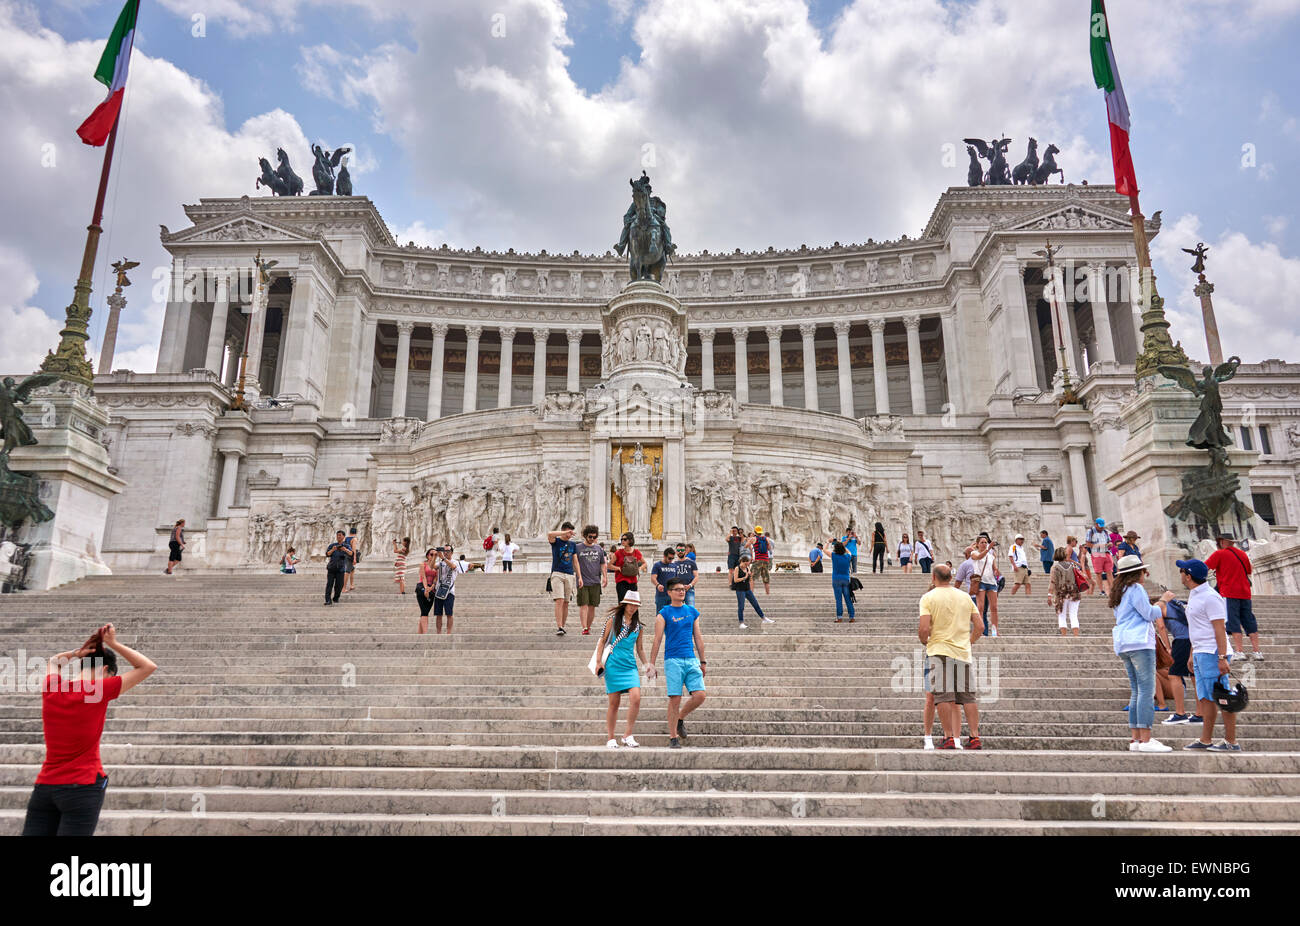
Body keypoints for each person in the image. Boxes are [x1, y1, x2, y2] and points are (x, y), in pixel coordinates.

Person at [21, 623, 157, 836]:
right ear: (105, 671)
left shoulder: (52, 688)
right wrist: (113, 643)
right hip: (82, 786)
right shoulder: (98, 690)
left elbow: (54, 662)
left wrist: (77, 653)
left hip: (45, 787)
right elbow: (147, 667)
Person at [1110, 554, 1175, 752]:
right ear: (1136, 573)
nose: (1145, 574)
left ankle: (1136, 739)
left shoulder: (1118, 591)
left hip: (1124, 643)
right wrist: (1163, 602)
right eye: (1143, 571)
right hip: (1139, 642)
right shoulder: (1135, 588)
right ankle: (1146, 739)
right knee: (1147, 690)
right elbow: (1149, 614)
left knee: (1137, 690)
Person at [1177, 558, 1242, 751]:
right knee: (1205, 697)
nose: (1180, 574)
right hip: (1200, 651)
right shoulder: (1196, 595)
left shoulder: (1210, 597)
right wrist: (1191, 653)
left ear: (1188, 576)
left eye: (1182, 571)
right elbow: (1196, 628)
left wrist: (1222, 657)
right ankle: (1206, 739)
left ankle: (1231, 741)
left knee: (1222, 697)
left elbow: (1220, 629)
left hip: (1213, 653)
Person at [918, 564, 983, 750]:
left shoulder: (928, 598)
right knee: (968, 698)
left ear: (933, 577)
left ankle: (948, 738)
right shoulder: (964, 597)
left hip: (939, 651)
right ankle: (974, 737)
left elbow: (923, 628)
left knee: (943, 696)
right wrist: (969, 642)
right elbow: (980, 627)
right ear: (951, 578)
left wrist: (925, 641)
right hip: (962, 652)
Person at [649, 579, 707, 749]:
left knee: (700, 695)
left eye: (683, 589)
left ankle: (680, 718)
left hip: (690, 658)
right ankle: (673, 737)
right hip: (673, 659)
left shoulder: (692, 611)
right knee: (675, 698)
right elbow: (657, 639)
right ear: (669, 592)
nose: (682, 592)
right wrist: (651, 663)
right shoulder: (664, 613)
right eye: (677, 589)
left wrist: (702, 661)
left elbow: (698, 637)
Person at [596, 590, 651, 748]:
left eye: (636, 605)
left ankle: (628, 734)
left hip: (630, 665)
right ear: (624, 604)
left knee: (636, 698)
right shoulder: (612, 620)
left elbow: (640, 648)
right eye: (631, 604)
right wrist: (599, 662)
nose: (633, 607)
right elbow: (602, 641)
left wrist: (647, 665)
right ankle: (611, 737)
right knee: (614, 702)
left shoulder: (638, 627)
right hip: (613, 664)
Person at [1205, 533, 1262, 660]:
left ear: (1222, 542)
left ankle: (1239, 651)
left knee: (1233, 621)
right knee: (1249, 620)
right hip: (1245, 593)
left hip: (1229, 592)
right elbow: (1248, 570)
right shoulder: (1242, 554)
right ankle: (1257, 651)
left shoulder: (1219, 554)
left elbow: (1205, 567)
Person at [1159, 594, 1193, 725]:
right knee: (1194, 675)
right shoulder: (1175, 604)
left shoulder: (1159, 606)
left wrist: (1168, 648)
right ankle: (1200, 713)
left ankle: (1180, 713)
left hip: (1181, 640)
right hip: (1193, 639)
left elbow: (1161, 627)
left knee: (1174, 675)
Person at [574, 525, 609, 635]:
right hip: (583, 580)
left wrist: (605, 577)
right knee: (583, 604)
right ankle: (584, 627)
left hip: (595, 580)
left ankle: (588, 627)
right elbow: (575, 563)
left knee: (592, 606)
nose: (592, 539)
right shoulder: (578, 547)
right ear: (585, 536)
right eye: (590, 536)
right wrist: (579, 577)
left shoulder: (598, 548)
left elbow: (602, 564)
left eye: (594, 537)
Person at [547, 523, 578, 636]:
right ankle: (559, 626)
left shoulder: (573, 545)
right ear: (564, 531)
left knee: (566, 602)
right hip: (557, 573)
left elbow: (575, 561)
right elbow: (550, 534)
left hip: (569, 574)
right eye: (568, 532)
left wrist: (579, 576)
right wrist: (564, 533)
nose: (570, 535)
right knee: (559, 600)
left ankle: (563, 626)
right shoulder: (556, 542)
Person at [969, 535, 1001, 637]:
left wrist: (996, 571)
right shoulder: (974, 553)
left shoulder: (991, 556)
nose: (984, 544)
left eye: (985, 542)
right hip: (981, 581)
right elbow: (979, 557)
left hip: (991, 581)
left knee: (994, 607)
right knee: (981, 607)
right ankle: (980, 629)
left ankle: (995, 629)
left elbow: (994, 567)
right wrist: (988, 549)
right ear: (977, 544)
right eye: (982, 542)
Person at [1047, 547, 1082, 636]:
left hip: (1061, 594)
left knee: (1061, 615)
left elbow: (1052, 582)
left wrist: (1049, 595)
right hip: (1074, 592)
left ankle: (1064, 637)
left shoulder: (1055, 568)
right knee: (1073, 615)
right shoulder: (1072, 565)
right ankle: (1076, 636)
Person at [729, 552, 768, 628]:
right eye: (746, 564)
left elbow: (749, 579)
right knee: (741, 606)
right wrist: (745, 577)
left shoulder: (747, 567)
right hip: (740, 590)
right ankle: (741, 623)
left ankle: (764, 618)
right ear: (742, 562)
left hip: (747, 589)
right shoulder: (737, 568)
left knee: (755, 604)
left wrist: (750, 576)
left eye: (748, 564)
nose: (747, 565)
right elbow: (735, 580)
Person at [429, 545, 458, 634]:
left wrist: (443, 558)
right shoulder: (441, 562)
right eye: (444, 551)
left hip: (449, 591)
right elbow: (432, 566)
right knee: (438, 614)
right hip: (439, 590)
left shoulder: (455, 561)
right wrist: (434, 556)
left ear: (452, 552)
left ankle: (448, 632)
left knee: (449, 613)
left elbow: (453, 566)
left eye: (448, 551)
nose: (445, 552)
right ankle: (439, 632)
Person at [611, 531, 646, 604]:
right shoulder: (618, 552)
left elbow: (644, 563)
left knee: (633, 604)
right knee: (622, 604)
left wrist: (639, 569)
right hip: (621, 581)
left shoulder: (636, 552)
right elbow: (609, 565)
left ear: (630, 540)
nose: (622, 541)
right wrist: (618, 568)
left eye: (625, 539)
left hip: (633, 581)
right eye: (621, 539)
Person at [1084, 518, 1109, 597]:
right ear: (1096, 524)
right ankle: (1100, 591)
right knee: (1098, 574)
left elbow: (1108, 541)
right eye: (1100, 526)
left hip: (1105, 553)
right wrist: (1099, 546)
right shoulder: (1090, 532)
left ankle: (1109, 590)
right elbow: (1088, 544)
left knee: (1109, 572)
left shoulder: (1104, 532)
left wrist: (1108, 545)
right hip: (1096, 554)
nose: (1102, 527)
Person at [415, 548, 438, 633]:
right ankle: (424, 634)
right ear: (427, 556)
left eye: (435, 554)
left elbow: (436, 579)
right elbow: (423, 577)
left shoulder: (436, 566)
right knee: (424, 611)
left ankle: (420, 634)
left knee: (424, 612)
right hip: (422, 587)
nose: (433, 556)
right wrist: (426, 589)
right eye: (431, 554)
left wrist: (431, 587)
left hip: (432, 589)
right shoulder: (423, 564)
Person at [831, 540, 854, 623]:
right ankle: (852, 617)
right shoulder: (847, 557)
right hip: (846, 580)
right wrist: (844, 546)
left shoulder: (833, 555)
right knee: (848, 599)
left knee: (839, 600)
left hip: (836, 579)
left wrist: (827, 542)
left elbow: (824, 550)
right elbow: (850, 552)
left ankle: (839, 617)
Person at [324, 530, 349, 605]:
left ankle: (336, 597)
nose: (338, 537)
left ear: (343, 536)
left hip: (341, 568)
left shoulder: (346, 546)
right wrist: (333, 550)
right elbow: (327, 554)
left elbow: (351, 553)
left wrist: (345, 550)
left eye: (340, 535)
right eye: (337, 535)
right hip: (332, 567)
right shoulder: (332, 545)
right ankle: (328, 600)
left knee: (339, 585)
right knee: (329, 584)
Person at [651, 547, 678, 614]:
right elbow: (653, 578)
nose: (671, 560)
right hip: (661, 595)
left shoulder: (674, 566)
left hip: (672, 595)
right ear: (664, 556)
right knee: (660, 615)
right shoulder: (657, 565)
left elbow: (676, 580)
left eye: (672, 558)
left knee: (672, 616)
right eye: (669, 558)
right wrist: (658, 585)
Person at [751, 526, 773, 595]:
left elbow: (746, 546)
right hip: (766, 560)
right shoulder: (766, 539)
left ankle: (751, 593)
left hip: (758, 560)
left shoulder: (754, 539)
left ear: (755, 532)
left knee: (751, 577)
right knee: (766, 578)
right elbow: (770, 549)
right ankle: (768, 594)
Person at [342, 526, 359, 594]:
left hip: (345, 555)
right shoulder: (354, 539)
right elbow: (354, 549)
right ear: (356, 532)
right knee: (347, 572)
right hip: (350, 556)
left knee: (352, 570)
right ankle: (344, 588)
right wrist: (354, 558)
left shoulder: (346, 538)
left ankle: (351, 585)